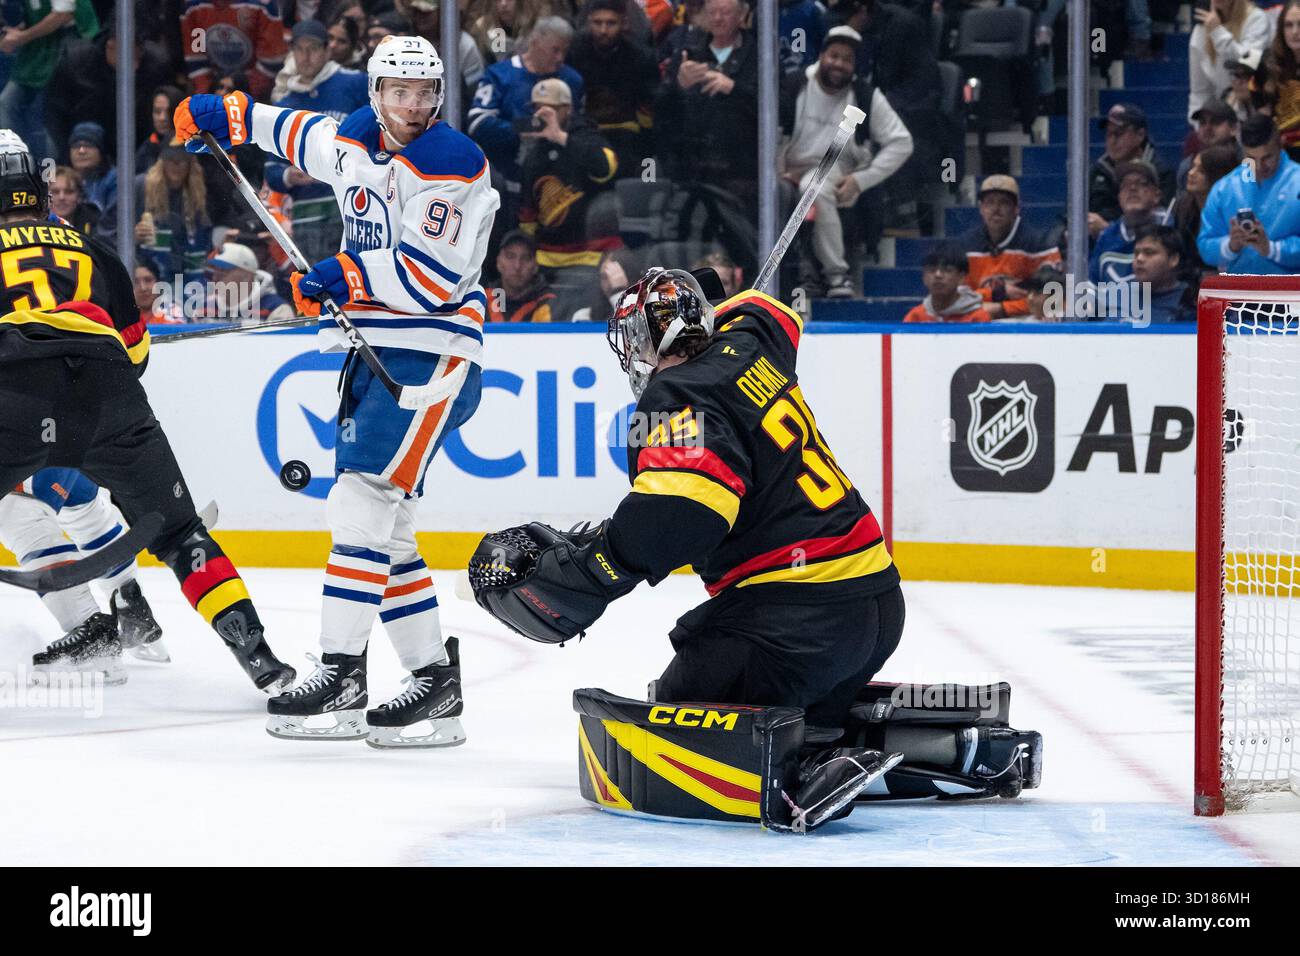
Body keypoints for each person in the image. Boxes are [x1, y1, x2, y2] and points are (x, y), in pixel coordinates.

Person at [468, 271, 1042, 828]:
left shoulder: (676, 394)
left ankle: (798, 776)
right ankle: (956, 751)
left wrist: (593, 568)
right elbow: (773, 311)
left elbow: (684, 514)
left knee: (672, 711)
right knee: (804, 714)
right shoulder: (751, 343)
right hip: (872, 605)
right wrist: (702, 291)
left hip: (795, 623)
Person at [176, 34, 500, 748]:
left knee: (361, 503)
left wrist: (345, 278)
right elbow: (299, 133)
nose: (414, 107)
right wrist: (226, 115)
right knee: (392, 529)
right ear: (376, 93)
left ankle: (340, 675)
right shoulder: (355, 137)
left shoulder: (450, 163)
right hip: (375, 351)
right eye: (400, 93)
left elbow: (433, 278)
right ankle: (432, 685)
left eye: (425, 94)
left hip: (430, 357)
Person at [0, 130, 295, 692]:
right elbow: (135, 353)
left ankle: (100, 618)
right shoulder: (89, 247)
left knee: (23, 507)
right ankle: (260, 657)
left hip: (15, 395)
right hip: (109, 393)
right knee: (184, 533)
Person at [778, 25, 913, 298]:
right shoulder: (794, 85)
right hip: (787, 166)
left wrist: (862, 180)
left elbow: (902, 142)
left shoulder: (864, 95)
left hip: (836, 167)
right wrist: (777, 171)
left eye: (847, 59)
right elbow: (768, 133)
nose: (839, 64)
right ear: (821, 55)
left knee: (813, 186)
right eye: (834, 55)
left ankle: (837, 275)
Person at [0, 468, 169, 679]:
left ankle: (93, 640)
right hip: (77, 442)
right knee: (83, 511)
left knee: (19, 513)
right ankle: (130, 607)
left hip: (39, 440)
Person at [468, 16, 583, 216]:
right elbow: (477, 123)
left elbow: (579, 128)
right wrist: (523, 129)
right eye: (555, 50)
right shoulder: (500, 74)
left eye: (564, 51)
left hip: (557, 186)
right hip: (506, 181)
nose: (560, 58)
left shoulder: (572, 80)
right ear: (535, 43)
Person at [517, 78, 620, 286]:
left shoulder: (588, 136)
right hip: (547, 259)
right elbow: (528, 211)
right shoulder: (535, 151)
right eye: (537, 109)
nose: (541, 115)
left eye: (550, 109)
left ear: (567, 109)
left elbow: (607, 168)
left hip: (593, 257)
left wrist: (562, 138)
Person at [656, 0, 759, 201]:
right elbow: (661, 113)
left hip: (742, 172)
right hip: (691, 168)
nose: (718, 18)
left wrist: (733, 89)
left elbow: (781, 111)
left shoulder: (759, 55)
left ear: (741, 16)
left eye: (725, 12)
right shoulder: (687, 53)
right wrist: (677, 86)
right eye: (712, 12)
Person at [566, 0, 659, 177]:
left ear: (623, 23)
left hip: (626, 132)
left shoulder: (641, 56)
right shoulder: (574, 51)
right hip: (584, 131)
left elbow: (648, 107)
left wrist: (647, 152)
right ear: (588, 21)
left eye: (611, 23)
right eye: (597, 23)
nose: (603, 30)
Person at [1198, 114, 1300, 274]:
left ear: (1281, 144)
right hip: (1240, 291)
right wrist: (1231, 245)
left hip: (1293, 291)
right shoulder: (1224, 188)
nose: (1259, 166)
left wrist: (1271, 249)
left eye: (1268, 157)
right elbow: (1205, 245)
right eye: (1251, 158)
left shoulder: (1297, 181)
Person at [0, 0, 98, 161]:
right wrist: (16, 33)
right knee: (6, 104)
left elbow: (64, 14)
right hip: (37, 50)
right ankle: (14, 167)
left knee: (48, 115)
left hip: (71, 42)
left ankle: (52, 176)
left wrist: (22, 37)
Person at [956, 175, 1062, 319]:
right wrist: (996, 293)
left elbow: (1055, 298)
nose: (996, 209)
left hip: (1026, 320)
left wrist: (1001, 308)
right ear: (981, 208)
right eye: (989, 203)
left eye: (1004, 203)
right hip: (978, 317)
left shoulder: (1039, 244)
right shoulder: (965, 245)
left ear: (1016, 208)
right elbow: (954, 298)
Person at [133, 137, 214, 288]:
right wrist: (132, 237)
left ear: (190, 163)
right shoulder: (140, 186)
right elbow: (110, 231)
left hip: (185, 277)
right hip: (144, 273)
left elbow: (204, 243)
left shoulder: (198, 194)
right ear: (162, 161)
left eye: (182, 160)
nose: (176, 165)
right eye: (171, 159)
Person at [1089, 103, 1176, 237]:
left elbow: (1162, 223)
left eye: (1118, 134)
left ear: (1140, 134)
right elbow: (1068, 214)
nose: (1112, 141)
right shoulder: (1097, 171)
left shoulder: (1162, 172)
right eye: (1108, 134)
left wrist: (1109, 230)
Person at [182, 0, 288, 102]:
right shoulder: (192, 5)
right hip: (215, 85)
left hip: (255, 91)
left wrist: (245, 97)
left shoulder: (264, 4)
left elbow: (270, 62)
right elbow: (195, 59)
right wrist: (207, 98)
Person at [1189, 0, 1272, 123]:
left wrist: (1217, 32)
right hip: (1223, 115)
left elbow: (1247, 63)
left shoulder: (1257, 19)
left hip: (1256, 107)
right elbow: (1199, 91)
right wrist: (1199, 126)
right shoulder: (1200, 30)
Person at [1169, 141, 1241, 278]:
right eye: (1193, 167)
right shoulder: (1181, 206)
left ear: (1219, 176)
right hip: (1188, 281)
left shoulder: (1236, 213)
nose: (1191, 173)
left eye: (1201, 171)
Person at [1089, 161, 1168, 284]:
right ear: (1119, 197)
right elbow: (1091, 286)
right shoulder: (1106, 237)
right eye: (1125, 185)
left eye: (1141, 183)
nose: (1132, 188)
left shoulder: (1172, 229)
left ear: (1156, 195)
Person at [204, 241, 295, 325]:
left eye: (224, 270)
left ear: (248, 275)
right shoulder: (204, 307)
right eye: (215, 270)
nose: (215, 277)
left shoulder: (276, 309)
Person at [903, 245, 991, 323]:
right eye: (932, 270)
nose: (938, 275)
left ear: (961, 277)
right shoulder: (915, 317)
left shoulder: (977, 318)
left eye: (947, 270)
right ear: (924, 277)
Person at [1257, 2, 1300, 157]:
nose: (1295, 32)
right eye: (1288, 25)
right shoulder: (1268, 65)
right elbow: (1262, 116)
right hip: (1279, 152)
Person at [486, 229, 557, 321]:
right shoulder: (482, 300)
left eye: (526, 258)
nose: (517, 266)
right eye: (510, 256)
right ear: (498, 262)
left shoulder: (549, 303)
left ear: (535, 266)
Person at [1130, 224, 1194, 323]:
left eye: (1149, 252)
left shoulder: (1191, 304)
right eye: (1136, 253)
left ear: (1173, 259)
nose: (1139, 259)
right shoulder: (1118, 295)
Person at [1179, 99, 1240, 189]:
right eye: (1202, 122)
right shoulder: (1187, 166)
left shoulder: (1245, 161)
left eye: (1216, 122)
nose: (1207, 128)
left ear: (1233, 128)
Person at [136, 86, 187, 172]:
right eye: (157, 111)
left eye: (169, 111)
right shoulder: (146, 148)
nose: (162, 118)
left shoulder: (195, 147)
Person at [48, 165, 100, 235]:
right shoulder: (33, 224)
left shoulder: (96, 223)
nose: (61, 197)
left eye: (69, 192)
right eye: (55, 192)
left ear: (79, 196)